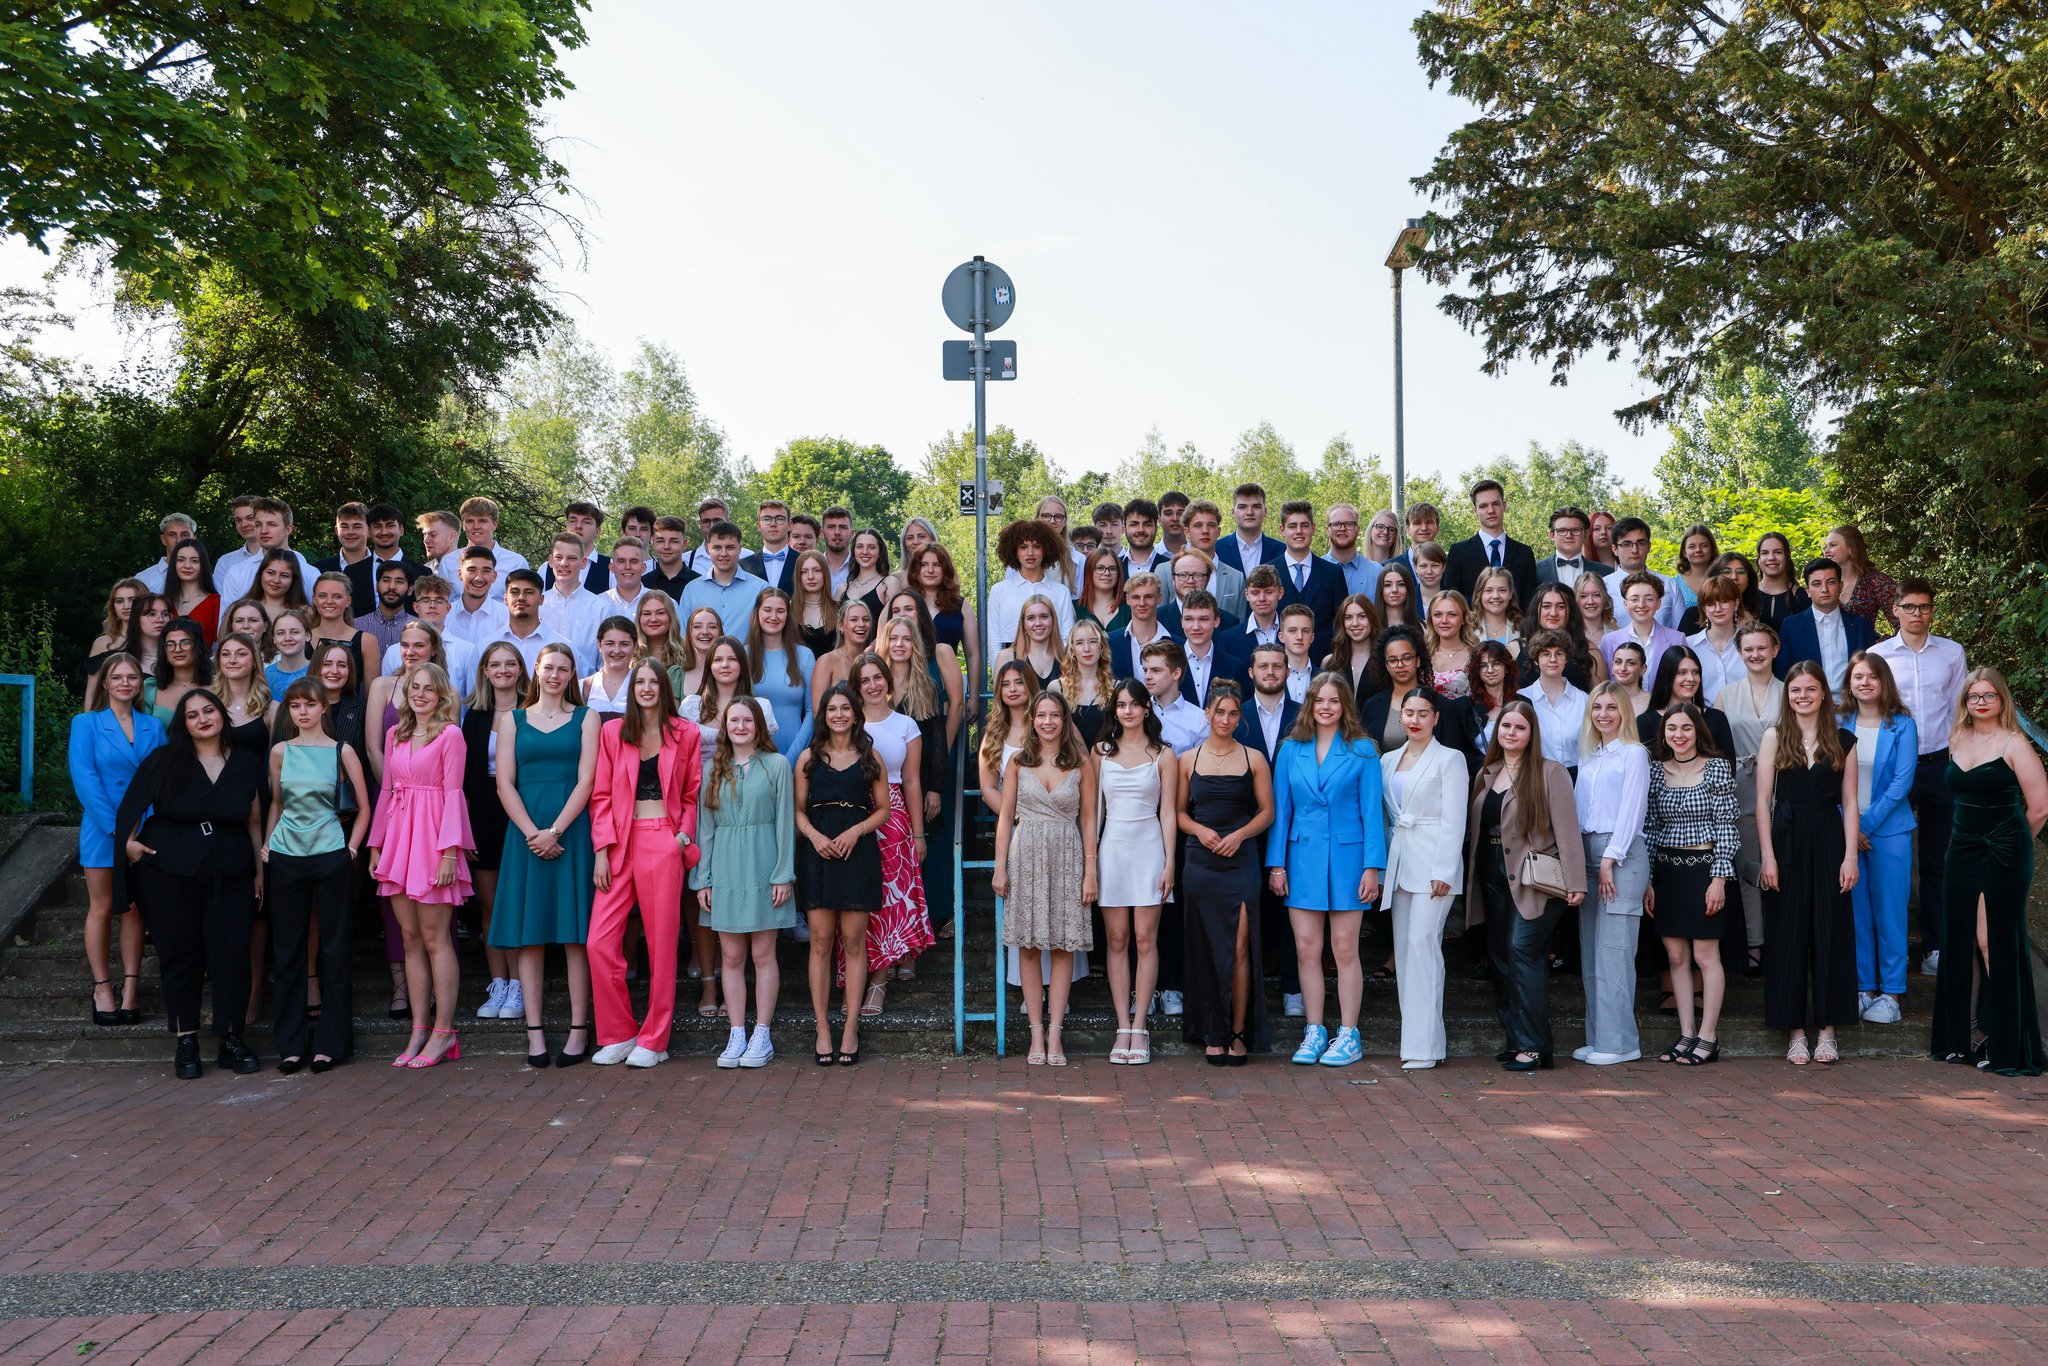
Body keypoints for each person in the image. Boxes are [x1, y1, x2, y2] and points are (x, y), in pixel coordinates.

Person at [114, 689, 267, 1079]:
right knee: (180, 953)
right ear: (183, 724)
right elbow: (131, 805)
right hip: (170, 870)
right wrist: (129, 844)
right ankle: (186, 1041)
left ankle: (232, 1039)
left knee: (232, 953)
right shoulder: (165, 759)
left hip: (231, 869)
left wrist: (259, 870)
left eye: (209, 711)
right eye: (193, 714)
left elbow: (253, 821)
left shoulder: (247, 762)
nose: (202, 719)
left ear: (221, 715)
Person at [1930, 668, 2048, 1075]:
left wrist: (2010, 843)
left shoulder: (2015, 743)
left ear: (2002, 699)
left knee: (1989, 942)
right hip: (1961, 851)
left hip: (2003, 852)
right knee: (1960, 941)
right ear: (1965, 701)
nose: (1980, 702)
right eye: (1973, 696)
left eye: (1988, 695)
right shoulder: (1956, 739)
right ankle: (1964, 1036)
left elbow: (2039, 808)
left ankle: (2004, 1040)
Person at [1269, 673, 1386, 1068]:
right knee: (1306, 948)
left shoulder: (1363, 750)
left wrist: (1373, 867)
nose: (1326, 707)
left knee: (1344, 948)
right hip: (1301, 858)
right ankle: (1315, 1029)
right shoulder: (1290, 749)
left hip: (1349, 860)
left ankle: (1349, 1034)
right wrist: (1276, 864)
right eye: (1319, 699)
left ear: (1345, 705)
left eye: (1334, 700)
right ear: (1309, 703)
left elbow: (1373, 814)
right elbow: (1281, 811)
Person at [491, 643, 599, 1068]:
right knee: (529, 935)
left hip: (572, 831)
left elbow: (587, 780)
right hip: (525, 834)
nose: (555, 675)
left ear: (572, 674)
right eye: (548, 667)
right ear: (536, 670)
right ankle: (534, 1033)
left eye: (563, 669)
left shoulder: (587, 718)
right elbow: (504, 783)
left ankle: (579, 1030)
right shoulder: (512, 720)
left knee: (576, 935)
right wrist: (533, 833)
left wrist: (555, 831)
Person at [589, 661, 702, 1067]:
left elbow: (690, 794)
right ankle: (619, 1033)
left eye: (654, 682)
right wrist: (601, 850)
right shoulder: (613, 732)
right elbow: (601, 796)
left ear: (665, 688)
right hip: (619, 842)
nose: (647, 688)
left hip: (663, 841)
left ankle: (655, 1039)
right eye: (640, 682)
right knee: (599, 942)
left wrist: (680, 839)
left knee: (661, 945)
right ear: (632, 688)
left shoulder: (685, 733)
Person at [1464, 699, 1586, 1071]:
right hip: (1491, 878)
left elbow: (1567, 829)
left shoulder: (1551, 772)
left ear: (1532, 734)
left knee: (1522, 952)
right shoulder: (1487, 773)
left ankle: (1533, 1046)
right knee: (1501, 958)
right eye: (1506, 726)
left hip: (1535, 881)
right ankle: (1519, 1039)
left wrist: (1576, 881)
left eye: (1520, 727)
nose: (1511, 733)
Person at [366, 662, 473, 1070]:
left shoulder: (451, 735)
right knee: (409, 938)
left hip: (434, 840)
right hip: (399, 840)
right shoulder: (395, 733)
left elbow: (454, 794)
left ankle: (444, 1033)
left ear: (441, 694)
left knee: (435, 938)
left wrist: (450, 852)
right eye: (415, 687)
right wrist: (376, 845)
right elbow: (387, 792)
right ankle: (418, 1029)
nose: (421, 694)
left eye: (429, 688)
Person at [262, 680, 370, 1073]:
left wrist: (351, 849)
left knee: (335, 949)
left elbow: (364, 808)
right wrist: (268, 844)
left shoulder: (343, 751)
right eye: (295, 706)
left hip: (330, 855)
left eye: (309, 704)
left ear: (324, 707)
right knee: (288, 950)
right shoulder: (279, 751)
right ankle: (291, 1045)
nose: (302, 712)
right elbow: (277, 803)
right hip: (287, 856)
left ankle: (331, 1044)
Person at [1757, 660, 1861, 1066]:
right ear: (1788, 695)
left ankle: (1828, 1031)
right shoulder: (1774, 736)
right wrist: (1767, 856)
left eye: (1810, 689)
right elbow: (1762, 802)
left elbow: (1850, 802)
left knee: (1831, 933)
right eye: (1796, 690)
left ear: (1823, 694)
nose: (1803, 696)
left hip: (1829, 838)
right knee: (1788, 934)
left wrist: (1850, 856)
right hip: (1786, 841)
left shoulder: (1844, 740)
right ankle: (1795, 1032)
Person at [992, 690, 1098, 1067]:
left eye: (1055, 715)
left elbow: (1089, 819)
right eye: (1041, 715)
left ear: (1064, 720)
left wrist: (1090, 870)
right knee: (1029, 945)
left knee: (1064, 946)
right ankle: (1035, 1033)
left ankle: (1055, 1034)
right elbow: (1005, 817)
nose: (1048, 722)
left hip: (1068, 855)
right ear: (1032, 720)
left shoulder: (1081, 763)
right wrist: (1000, 866)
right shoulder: (1018, 762)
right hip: (1026, 854)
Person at [691, 697, 797, 1070]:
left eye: (747, 720)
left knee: (763, 955)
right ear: (725, 727)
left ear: (759, 726)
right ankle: (737, 1032)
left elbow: (785, 823)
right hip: (725, 866)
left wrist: (783, 873)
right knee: (732, 957)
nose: (740, 726)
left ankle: (762, 1034)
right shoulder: (711, 769)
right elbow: (705, 828)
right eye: (733, 720)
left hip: (765, 864)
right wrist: (702, 879)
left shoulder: (777, 765)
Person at [1870, 577, 1967, 976]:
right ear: (1894, 610)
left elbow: (1960, 709)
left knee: (1936, 859)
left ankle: (1933, 946)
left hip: (1940, 765)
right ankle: (1883, 947)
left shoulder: (1952, 652)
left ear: (1932, 611)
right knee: (1887, 857)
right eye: (1909, 607)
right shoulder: (1878, 655)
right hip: (1895, 769)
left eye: (1924, 607)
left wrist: (1959, 760)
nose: (1917, 614)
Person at [1180, 682, 1275, 1063]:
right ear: (1207, 714)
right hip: (1200, 862)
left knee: (1239, 946)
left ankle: (1237, 1031)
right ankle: (1212, 1032)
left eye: (1233, 713)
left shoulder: (1254, 758)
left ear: (1240, 717)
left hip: (1241, 860)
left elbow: (1267, 812)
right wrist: (1200, 830)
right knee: (1205, 947)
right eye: (1219, 712)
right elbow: (1177, 814)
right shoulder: (1188, 759)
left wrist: (1239, 835)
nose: (1225, 719)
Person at [70, 654, 166, 1027]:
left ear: (140, 684)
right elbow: (85, 781)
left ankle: (130, 987)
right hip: (103, 827)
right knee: (102, 906)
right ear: (106, 683)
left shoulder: (153, 726)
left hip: (146, 827)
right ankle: (101, 988)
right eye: (117, 677)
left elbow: (162, 780)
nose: (125, 682)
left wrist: (145, 829)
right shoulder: (86, 724)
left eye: (132, 677)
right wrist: (120, 834)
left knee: (134, 910)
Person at [796, 684, 888, 1065]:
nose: (838, 715)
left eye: (845, 708)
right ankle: (822, 1028)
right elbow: (798, 810)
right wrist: (814, 836)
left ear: (855, 714)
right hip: (818, 852)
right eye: (831, 709)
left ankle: (850, 1027)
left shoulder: (870, 756)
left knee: (853, 941)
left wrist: (857, 831)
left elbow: (883, 809)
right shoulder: (808, 758)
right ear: (824, 715)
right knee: (820, 940)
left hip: (857, 852)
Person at [1645, 702, 1740, 1067]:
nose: (1679, 735)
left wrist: (1719, 878)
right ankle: (1686, 1034)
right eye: (1672, 729)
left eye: (1686, 728)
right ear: (1664, 734)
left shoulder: (1716, 768)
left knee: (1704, 956)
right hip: (1667, 871)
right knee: (1676, 957)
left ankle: (1708, 1036)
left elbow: (1726, 826)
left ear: (1698, 731)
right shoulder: (1655, 771)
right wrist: (1648, 880)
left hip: (1704, 870)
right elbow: (1650, 827)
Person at [1380, 688, 1469, 1070]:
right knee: (1404, 951)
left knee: (1423, 945)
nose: (1414, 720)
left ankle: (1427, 1047)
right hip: (1400, 863)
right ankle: (1414, 1042)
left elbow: (1455, 818)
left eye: (1422, 713)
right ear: (1400, 717)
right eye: (1408, 713)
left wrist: (1444, 870)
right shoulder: (1387, 760)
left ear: (1435, 717)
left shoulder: (1451, 759)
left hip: (1434, 865)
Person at [1096, 679, 1180, 1066]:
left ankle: (1141, 1027)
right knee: (1116, 939)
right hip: (1112, 850)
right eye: (1121, 705)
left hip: (1149, 850)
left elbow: (1168, 813)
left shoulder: (1164, 754)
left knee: (1146, 939)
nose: (1127, 711)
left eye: (1134, 704)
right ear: (1114, 710)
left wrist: (1169, 862)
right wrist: (1090, 865)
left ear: (1147, 708)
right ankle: (1121, 1026)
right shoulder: (1101, 751)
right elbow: (1093, 814)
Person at [852, 652, 935, 1014]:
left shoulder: (906, 725)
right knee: (861, 898)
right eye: (864, 680)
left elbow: (913, 780)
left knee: (892, 896)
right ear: (856, 687)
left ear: (887, 680)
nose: (873, 685)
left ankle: (879, 979)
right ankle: (864, 970)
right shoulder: (849, 723)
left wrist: (918, 833)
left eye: (877, 677)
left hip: (895, 813)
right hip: (855, 811)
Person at [1573, 683, 1651, 1066]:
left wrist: (1611, 857)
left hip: (1620, 855)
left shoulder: (1634, 753)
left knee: (1615, 954)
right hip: (1588, 850)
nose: (1603, 714)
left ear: (1624, 712)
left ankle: (1621, 1043)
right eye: (1597, 707)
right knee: (1592, 953)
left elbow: (1633, 810)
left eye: (1611, 707)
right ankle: (1599, 1038)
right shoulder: (1589, 755)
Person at [1843, 651, 1918, 1027]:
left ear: (1883, 681)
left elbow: (1901, 783)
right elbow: (1829, 779)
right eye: (1858, 676)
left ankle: (1891, 993)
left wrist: (1864, 826)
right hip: (1848, 835)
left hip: (1889, 833)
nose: (1865, 682)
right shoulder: (1838, 723)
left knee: (1890, 914)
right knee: (1856, 916)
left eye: (1872, 676)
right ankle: (1863, 988)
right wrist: (1850, 828)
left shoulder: (1902, 725)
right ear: (1849, 683)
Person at [463, 641, 527, 1024]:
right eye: (495, 664)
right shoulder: (473, 716)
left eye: (510, 663)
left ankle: (519, 983)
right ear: (485, 671)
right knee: (488, 903)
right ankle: (498, 982)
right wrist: (464, 828)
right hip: (483, 811)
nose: (503, 670)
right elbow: (465, 777)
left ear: (520, 669)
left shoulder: (532, 710)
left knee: (514, 900)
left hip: (520, 807)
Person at [1714, 622, 1784, 974]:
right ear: (1740, 654)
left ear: (1775, 650)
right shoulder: (1726, 695)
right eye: (1748, 649)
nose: (1755, 654)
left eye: (1761, 648)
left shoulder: (1789, 691)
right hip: (1739, 785)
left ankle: (1784, 940)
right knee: (1746, 865)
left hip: (1782, 783)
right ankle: (1754, 942)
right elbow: (1714, 744)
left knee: (1781, 862)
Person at [1776, 558, 1875, 691]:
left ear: (1840, 586)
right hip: (1808, 701)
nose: (1824, 589)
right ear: (1807, 591)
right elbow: (1783, 673)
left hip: (1851, 701)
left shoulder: (1861, 625)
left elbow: (1871, 670)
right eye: (1816, 584)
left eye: (1831, 582)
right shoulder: (1791, 626)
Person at [905, 543, 978, 718]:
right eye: (924, 564)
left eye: (936, 564)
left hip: (949, 691)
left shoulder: (961, 606)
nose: (930, 570)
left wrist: (974, 697)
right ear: (915, 569)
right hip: (909, 687)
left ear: (945, 569)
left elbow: (972, 655)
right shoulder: (903, 602)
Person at [987, 520, 1076, 652]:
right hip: (1010, 661)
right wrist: (999, 665)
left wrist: (1057, 664)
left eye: (1036, 546)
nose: (1030, 553)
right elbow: (994, 639)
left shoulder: (1061, 592)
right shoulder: (999, 590)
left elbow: (1067, 637)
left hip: (1052, 660)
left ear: (1046, 550)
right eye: (1023, 547)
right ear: (1014, 551)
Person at [1445, 478, 1537, 604]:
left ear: (1504, 506)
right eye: (1483, 506)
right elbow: (1453, 600)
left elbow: (1530, 601)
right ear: (1475, 511)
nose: (1491, 510)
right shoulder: (1458, 552)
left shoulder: (1524, 552)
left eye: (1496, 504)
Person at [748, 589, 816, 755]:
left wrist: (793, 756)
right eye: (767, 610)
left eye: (780, 611)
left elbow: (812, 710)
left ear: (788, 615)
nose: (774, 616)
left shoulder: (805, 656)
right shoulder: (743, 655)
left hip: (795, 751)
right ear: (757, 613)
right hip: (753, 753)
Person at [1273, 501, 1343, 655]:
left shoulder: (1333, 573)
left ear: (1313, 528)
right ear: (1282, 530)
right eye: (1292, 526)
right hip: (1278, 661)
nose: (1299, 531)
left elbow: (1341, 624)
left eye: (1304, 525)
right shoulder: (1269, 572)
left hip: (1323, 662)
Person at [1643, 646, 1736, 760]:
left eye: (1695, 672)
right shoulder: (1645, 722)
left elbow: (1729, 766)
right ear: (1667, 676)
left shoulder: (1717, 718)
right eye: (1682, 672)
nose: (1691, 678)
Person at [678, 520, 768, 638]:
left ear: (740, 549)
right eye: (717, 547)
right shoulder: (692, 590)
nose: (723, 553)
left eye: (730, 547)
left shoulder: (760, 589)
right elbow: (684, 635)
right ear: (709, 548)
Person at [1601, 519, 1685, 629]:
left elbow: (1681, 632)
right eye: (1627, 544)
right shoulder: (1602, 588)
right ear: (1615, 549)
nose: (1634, 550)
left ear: (1649, 546)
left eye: (1640, 543)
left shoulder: (1669, 585)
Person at [1601, 572, 1686, 681]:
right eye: (1634, 599)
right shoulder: (1609, 641)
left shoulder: (1677, 639)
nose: (1641, 605)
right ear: (1625, 604)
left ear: (1658, 603)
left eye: (1649, 599)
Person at [1525, 629, 1589, 774]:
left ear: (1566, 658)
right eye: (1546, 654)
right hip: (1536, 777)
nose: (1553, 659)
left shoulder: (1584, 700)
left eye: (1559, 654)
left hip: (1577, 777)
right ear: (1536, 659)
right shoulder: (1522, 698)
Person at [84, 579, 148, 709]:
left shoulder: (158, 642)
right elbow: (92, 693)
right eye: (119, 601)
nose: (126, 606)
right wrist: (89, 720)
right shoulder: (103, 644)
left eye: (132, 600)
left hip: (150, 716)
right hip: (109, 716)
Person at [1519, 582, 1596, 687]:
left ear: (1571, 611)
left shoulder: (1590, 651)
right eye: (1546, 606)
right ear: (1536, 610)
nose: (1553, 613)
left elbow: (1599, 695)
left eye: (1561, 607)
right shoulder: (1517, 648)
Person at [1825, 523, 1899, 630]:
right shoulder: (1824, 583)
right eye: (1826, 546)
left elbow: (1902, 622)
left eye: (1833, 545)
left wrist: (1877, 641)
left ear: (1851, 548)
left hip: (1865, 640)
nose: (1826, 551)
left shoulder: (1876, 581)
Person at [1181, 500, 1248, 619]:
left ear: (1218, 531)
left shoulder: (1236, 577)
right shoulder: (1166, 572)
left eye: (1211, 525)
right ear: (1187, 532)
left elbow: (1240, 622)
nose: (1205, 531)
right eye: (1198, 525)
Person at [1686, 575, 1745, 704]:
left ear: (1735, 604)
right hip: (1701, 715)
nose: (1718, 609)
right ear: (1704, 609)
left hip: (1744, 715)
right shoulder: (1689, 646)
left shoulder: (1750, 644)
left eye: (1723, 602)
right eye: (1711, 604)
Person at [1140, 640, 1208, 754]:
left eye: (1156, 671)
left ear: (1176, 673)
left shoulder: (1200, 720)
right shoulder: (1136, 712)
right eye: (1145, 670)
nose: (1147, 676)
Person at [997, 594, 1067, 692]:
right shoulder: (1007, 657)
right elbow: (999, 698)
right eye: (1031, 618)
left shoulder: (1067, 658)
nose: (1038, 623)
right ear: (1024, 624)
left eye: (1044, 617)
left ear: (1053, 620)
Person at [307, 571, 365, 690]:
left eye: (337, 596)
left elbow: (372, 694)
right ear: (314, 600)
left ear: (348, 601)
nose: (329, 601)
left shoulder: (366, 641)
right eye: (322, 596)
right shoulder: (303, 639)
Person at [164, 538, 221, 643]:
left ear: (203, 565)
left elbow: (222, 643)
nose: (187, 566)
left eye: (194, 561)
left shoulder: (216, 602)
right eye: (181, 560)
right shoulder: (164, 602)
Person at [1217, 482, 1282, 573]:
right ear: (1233, 512)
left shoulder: (1282, 551)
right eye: (1242, 507)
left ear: (1265, 511)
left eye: (1256, 507)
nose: (1250, 512)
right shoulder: (1216, 550)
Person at [1325, 594, 1381, 698]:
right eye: (1348, 618)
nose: (1355, 623)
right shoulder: (1330, 662)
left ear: (1372, 619)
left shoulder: (1385, 660)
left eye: (1362, 616)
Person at [1753, 533, 1811, 632]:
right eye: (1765, 553)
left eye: (1778, 552)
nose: (1771, 558)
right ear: (1758, 558)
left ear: (1788, 555)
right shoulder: (1748, 594)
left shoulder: (1802, 596)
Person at [1321, 503, 1379, 601]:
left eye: (1349, 524)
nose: (1342, 528)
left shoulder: (1377, 572)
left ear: (1358, 530)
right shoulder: (1314, 571)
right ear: (1327, 530)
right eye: (1336, 524)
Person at [1424, 591, 1476, 699]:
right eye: (1438, 615)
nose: (1444, 621)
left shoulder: (1475, 655)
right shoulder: (1422, 655)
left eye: (1452, 615)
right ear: (1431, 619)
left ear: (1464, 619)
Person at [789, 550, 841, 659]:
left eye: (817, 571)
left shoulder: (839, 610)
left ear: (825, 574)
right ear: (798, 576)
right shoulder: (787, 610)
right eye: (804, 572)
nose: (810, 577)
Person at [582, 616, 638, 714]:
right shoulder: (583, 687)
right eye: (609, 643)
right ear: (599, 645)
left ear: (635, 646)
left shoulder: (643, 685)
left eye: (624, 644)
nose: (617, 651)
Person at [740, 500, 799, 592]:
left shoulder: (803, 562)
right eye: (766, 519)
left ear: (789, 525)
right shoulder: (743, 566)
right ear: (759, 525)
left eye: (779, 519)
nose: (773, 524)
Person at [135, 512, 200, 593]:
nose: (178, 540)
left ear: (194, 538)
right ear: (163, 539)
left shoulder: (207, 579)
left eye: (184, 535)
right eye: (172, 535)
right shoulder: (143, 579)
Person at [1534, 506, 1595, 591]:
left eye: (1575, 530)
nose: (1569, 536)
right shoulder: (1535, 570)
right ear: (1552, 535)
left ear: (1586, 534)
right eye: (1562, 530)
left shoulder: (1605, 572)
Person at [839, 528, 892, 620]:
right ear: (854, 551)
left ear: (880, 552)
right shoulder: (842, 589)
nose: (865, 552)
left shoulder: (888, 584)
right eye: (860, 546)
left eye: (871, 547)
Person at [1076, 546, 1127, 633]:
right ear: (1089, 571)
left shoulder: (1129, 608)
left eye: (1112, 569)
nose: (1106, 573)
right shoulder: (1075, 608)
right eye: (1100, 568)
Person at [1671, 524, 1719, 612]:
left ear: (1712, 549)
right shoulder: (1673, 585)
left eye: (1704, 545)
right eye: (1692, 547)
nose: (1698, 550)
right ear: (1684, 552)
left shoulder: (1723, 579)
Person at [1471, 567, 1522, 648]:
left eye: (1502, 590)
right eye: (1488, 590)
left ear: (1510, 593)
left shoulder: (1523, 628)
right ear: (1480, 594)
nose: (1496, 596)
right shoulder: (1467, 627)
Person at [1576, 572, 1617, 643]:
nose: (1590, 602)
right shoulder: (1567, 635)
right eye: (1583, 596)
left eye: (1596, 595)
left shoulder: (1618, 635)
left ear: (1605, 598)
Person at [1374, 564, 1417, 631]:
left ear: (1408, 588)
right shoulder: (1371, 627)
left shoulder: (1423, 627)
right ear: (1380, 589)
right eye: (1388, 585)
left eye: (1401, 584)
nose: (1394, 590)